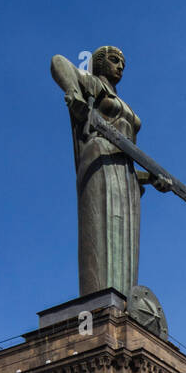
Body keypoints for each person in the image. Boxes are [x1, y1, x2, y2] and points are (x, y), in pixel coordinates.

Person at [50, 45, 170, 298]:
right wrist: (75, 94)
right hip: (99, 158)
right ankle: (99, 303)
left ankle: (124, 304)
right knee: (99, 230)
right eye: (115, 61)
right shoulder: (94, 85)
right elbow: (58, 61)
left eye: (123, 64)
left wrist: (152, 178)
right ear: (100, 63)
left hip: (126, 175)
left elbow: (133, 162)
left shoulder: (125, 106)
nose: (120, 67)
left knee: (126, 245)